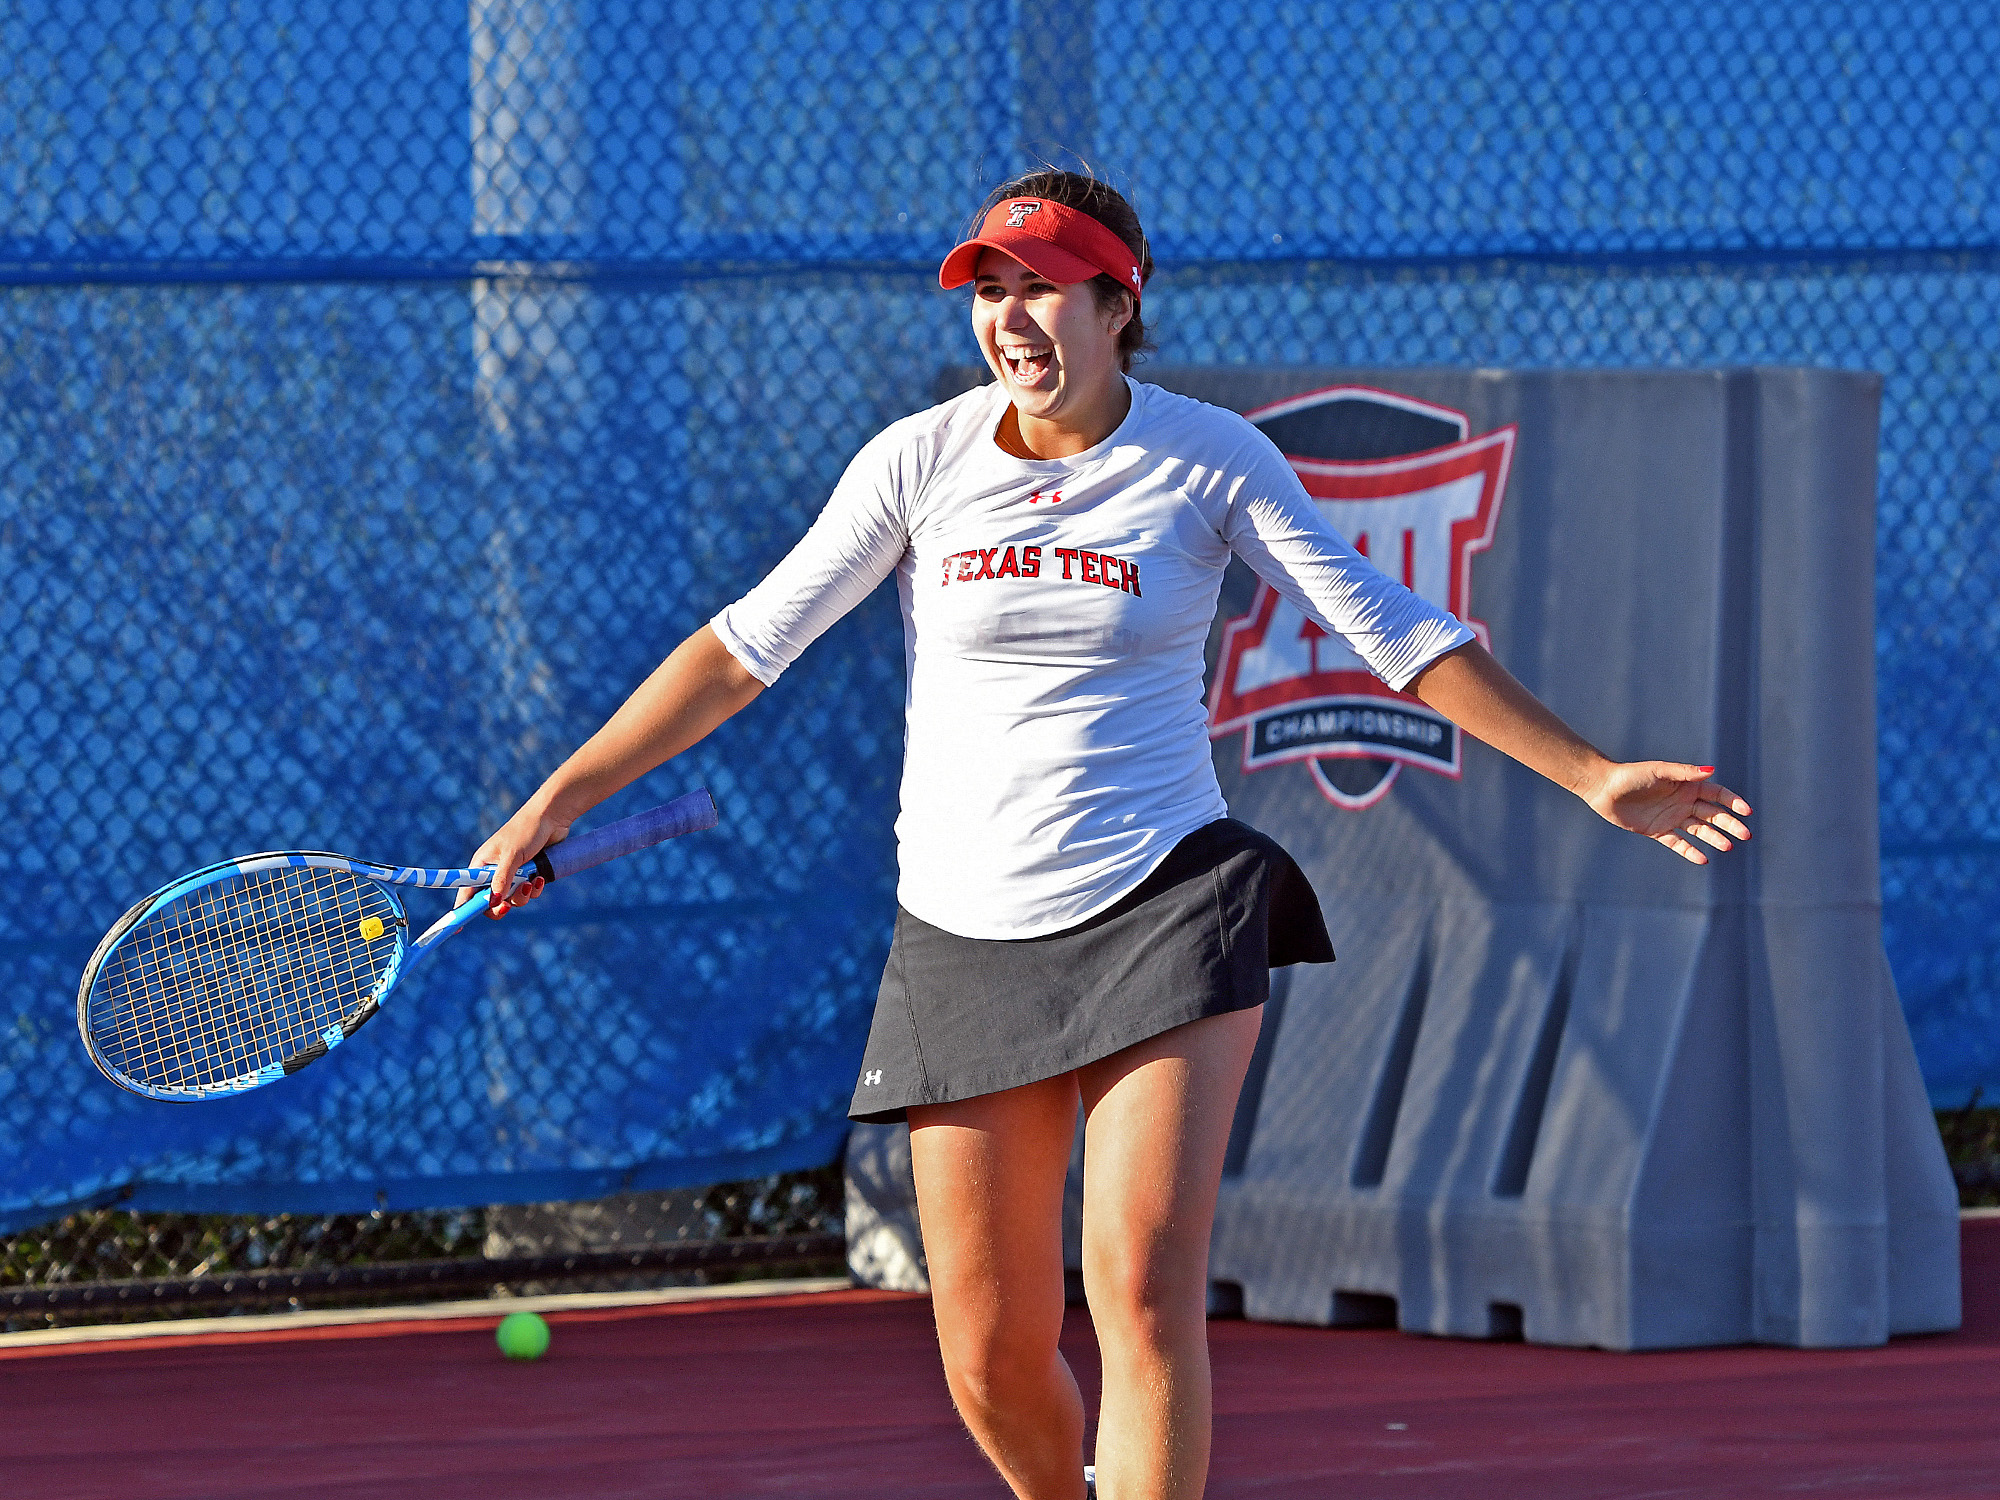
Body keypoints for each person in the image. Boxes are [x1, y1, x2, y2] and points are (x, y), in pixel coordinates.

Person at [465, 170, 1754, 1500]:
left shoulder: (1206, 456)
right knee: (987, 1357)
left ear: (1117, 300)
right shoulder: (919, 460)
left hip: (1165, 902)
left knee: (1138, 1287)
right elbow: (742, 650)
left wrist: (1591, 774)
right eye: (994, 290)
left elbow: (1388, 627)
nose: (1013, 317)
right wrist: (556, 799)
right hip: (961, 933)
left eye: (1044, 288)